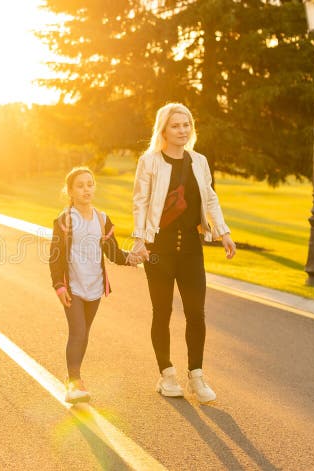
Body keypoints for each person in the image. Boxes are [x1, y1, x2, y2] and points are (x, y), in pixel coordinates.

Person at [131, 102, 236, 403]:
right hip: (159, 249)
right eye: (175, 125)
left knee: (196, 314)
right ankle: (166, 374)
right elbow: (140, 201)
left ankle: (197, 376)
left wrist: (223, 231)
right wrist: (140, 239)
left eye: (186, 124)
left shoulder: (198, 161)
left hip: (191, 247)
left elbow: (211, 198)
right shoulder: (149, 161)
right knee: (161, 312)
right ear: (163, 129)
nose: (182, 130)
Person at [49, 167, 142, 404]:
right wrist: (59, 287)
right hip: (73, 287)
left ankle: (74, 378)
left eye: (90, 184)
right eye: (80, 185)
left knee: (84, 334)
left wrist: (132, 257)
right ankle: (74, 383)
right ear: (70, 190)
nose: (86, 189)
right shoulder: (66, 219)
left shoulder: (102, 219)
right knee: (77, 332)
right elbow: (56, 257)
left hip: (95, 286)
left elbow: (112, 252)